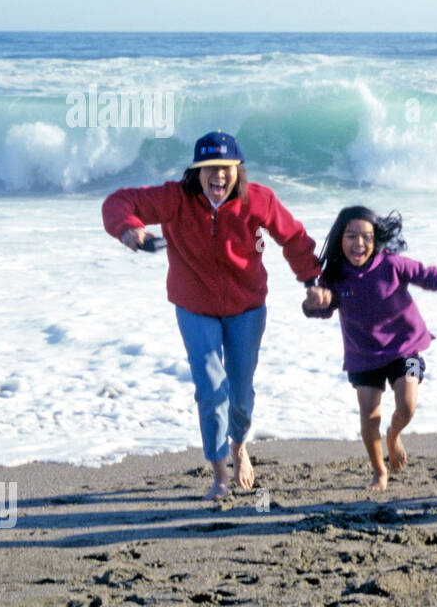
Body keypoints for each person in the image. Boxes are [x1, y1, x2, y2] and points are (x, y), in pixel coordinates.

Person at [102, 131, 323, 500]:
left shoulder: (259, 200)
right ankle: (219, 473)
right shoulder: (175, 198)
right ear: (196, 171)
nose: (217, 176)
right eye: (208, 169)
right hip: (194, 306)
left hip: (247, 307)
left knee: (239, 395)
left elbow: (295, 238)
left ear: (238, 169)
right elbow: (117, 201)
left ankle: (239, 446)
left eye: (225, 167)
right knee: (210, 389)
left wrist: (312, 281)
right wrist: (129, 229)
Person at [302, 206, 437, 492]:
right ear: (339, 239)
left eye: (367, 237)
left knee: (407, 405)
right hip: (363, 358)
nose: (359, 244)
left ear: (376, 239)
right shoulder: (335, 276)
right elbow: (320, 309)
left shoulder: (391, 264)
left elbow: (425, 274)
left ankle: (394, 435)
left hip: (408, 350)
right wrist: (313, 302)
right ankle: (379, 472)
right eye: (351, 236)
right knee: (370, 416)